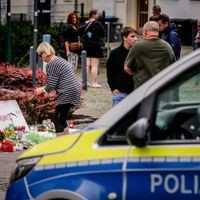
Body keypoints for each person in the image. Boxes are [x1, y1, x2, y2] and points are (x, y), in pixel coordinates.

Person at [35, 42, 81, 137]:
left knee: (57, 119)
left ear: (44, 53)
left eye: (40, 55)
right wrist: (45, 90)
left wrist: (41, 90)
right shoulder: (59, 60)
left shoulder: (51, 64)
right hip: (73, 90)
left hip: (67, 92)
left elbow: (51, 84)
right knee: (62, 118)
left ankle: (60, 145)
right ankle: (66, 141)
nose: (40, 58)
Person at [124, 21, 176, 89]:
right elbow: (174, 67)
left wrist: (136, 75)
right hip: (161, 87)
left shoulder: (137, 47)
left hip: (142, 88)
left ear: (145, 31)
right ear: (158, 31)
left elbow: (126, 68)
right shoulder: (167, 46)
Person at [106, 27, 137, 107]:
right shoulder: (115, 54)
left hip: (134, 93)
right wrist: (113, 88)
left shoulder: (137, 53)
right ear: (124, 38)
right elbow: (110, 72)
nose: (135, 39)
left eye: (136, 36)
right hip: (119, 94)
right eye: (132, 36)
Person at [81, 9, 106, 88]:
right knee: (94, 65)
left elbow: (79, 32)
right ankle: (94, 82)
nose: (98, 15)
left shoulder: (86, 23)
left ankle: (85, 82)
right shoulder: (98, 24)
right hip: (95, 45)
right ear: (93, 15)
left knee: (87, 64)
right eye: (97, 14)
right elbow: (103, 34)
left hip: (86, 45)